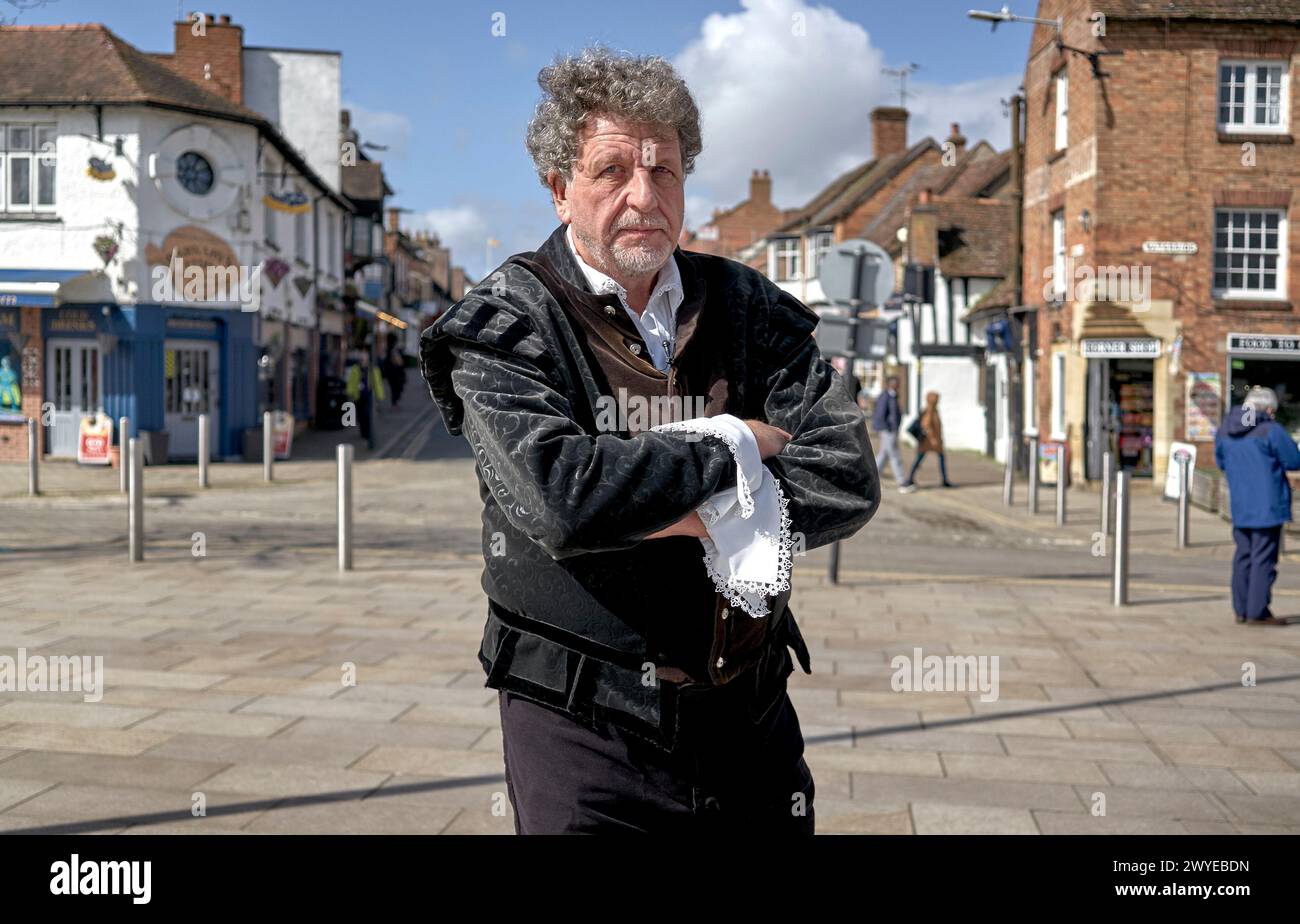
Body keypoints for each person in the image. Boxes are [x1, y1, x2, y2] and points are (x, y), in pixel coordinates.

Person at [420, 47, 880, 834]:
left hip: (749, 720)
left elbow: (845, 475)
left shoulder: (748, 305)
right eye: (611, 171)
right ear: (560, 190)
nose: (643, 197)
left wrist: (652, 500)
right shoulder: (507, 321)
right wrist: (741, 448)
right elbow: (561, 499)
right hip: (583, 731)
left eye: (664, 171)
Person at [1214, 387, 1300, 626]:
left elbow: (1220, 461)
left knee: (1243, 556)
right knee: (1263, 559)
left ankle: (1241, 609)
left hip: (1241, 505)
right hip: (1268, 505)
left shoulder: (1225, 430)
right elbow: (1294, 459)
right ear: (1269, 410)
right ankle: (1257, 611)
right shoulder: (1271, 431)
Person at [900, 391, 953, 492]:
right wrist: (933, 439)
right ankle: (910, 478)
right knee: (920, 459)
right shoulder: (929, 411)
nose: (938, 401)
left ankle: (944, 480)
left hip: (935, 442)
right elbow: (926, 425)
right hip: (929, 442)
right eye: (937, 399)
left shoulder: (934, 410)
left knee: (938, 459)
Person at [871, 375, 906, 491]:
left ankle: (870, 477)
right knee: (894, 455)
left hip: (892, 430)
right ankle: (902, 482)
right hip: (887, 431)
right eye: (897, 383)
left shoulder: (893, 396)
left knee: (884, 455)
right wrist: (887, 428)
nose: (899, 386)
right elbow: (880, 414)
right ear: (891, 384)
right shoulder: (885, 396)